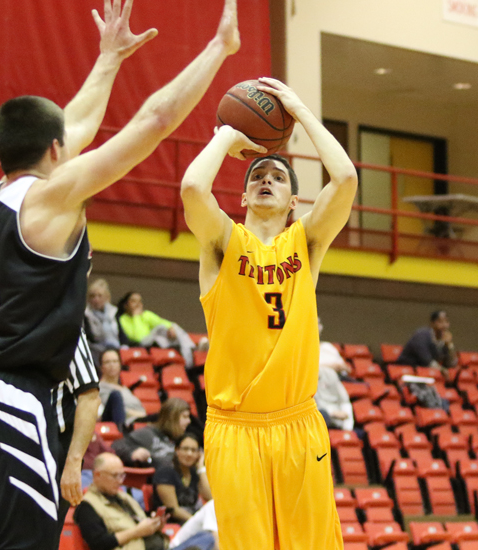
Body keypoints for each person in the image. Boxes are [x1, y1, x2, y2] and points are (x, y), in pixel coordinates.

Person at [0, 0, 242, 547]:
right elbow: (153, 121)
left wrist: (108, 59)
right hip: (12, 397)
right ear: (56, 150)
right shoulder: (50, 199)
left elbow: (72, 124)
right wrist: (218, 49)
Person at [180, 77, 358, 550]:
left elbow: (345, 180)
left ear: (293, 202)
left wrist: (299, 111)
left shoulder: (307, 242)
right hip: (234, 430)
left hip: (298, 424)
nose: (266, 179)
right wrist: (227, 135)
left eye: (278, 177)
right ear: (240, 198)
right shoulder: (222, 242)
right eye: (256, 175)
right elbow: (193, 187)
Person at [74, 453, 215, 550]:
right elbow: (99, 544)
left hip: (164, 545)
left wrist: (155, 525)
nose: (120, 481)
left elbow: (141, 523)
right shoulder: (87, 506)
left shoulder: (125, 497)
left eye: (122, 475)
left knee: (207, 536)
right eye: (115, 476)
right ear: (97, 475)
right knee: (208, 540)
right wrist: (137, 531)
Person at [116, 292, 196, 367]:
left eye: (139, 302)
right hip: (140, 344)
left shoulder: (146, 314)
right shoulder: (123, 319)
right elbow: (139, 338)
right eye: (133, 301)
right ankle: (192, 350)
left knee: (173, 327)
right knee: (161, 328)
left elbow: (161, 321)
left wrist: (170, 327)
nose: (138, 304)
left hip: (155, 341)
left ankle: (190, 354)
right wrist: (136, 317)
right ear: (126, 305)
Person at [152, 433, 211, 524]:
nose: (189, 454)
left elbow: (209, 497)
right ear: (177, 450)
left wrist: (201, 468)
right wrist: (198, 523)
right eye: (185, 449)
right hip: (171, 523)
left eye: (193, 450)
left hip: (192, 520)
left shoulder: (194, 471)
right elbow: (174, 510)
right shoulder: (165, 471)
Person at [112, 398, 191, 466]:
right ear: (171, 418)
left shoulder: (182, 439)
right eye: (184, 417)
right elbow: (116, 446)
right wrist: (132, 453)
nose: (189, 421)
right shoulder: (147, 434)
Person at [316, 319, 353, 431]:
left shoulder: (328, 348)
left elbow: (346, 369)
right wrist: (331, 366)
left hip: (334, 381)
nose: (318, 326)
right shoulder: (300, 349)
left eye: (319, 324)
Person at [98, 348, 148, 427]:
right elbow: (114, 409)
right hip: (124, 423)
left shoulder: (125, 389)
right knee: (116, 395)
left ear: (120, 365)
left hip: (140, 421)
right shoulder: (99, 388)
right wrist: (140, 415)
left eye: (115, 361)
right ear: (101, 367)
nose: (112, 365)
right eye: (107, 362)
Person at [85, 278, 121, 353]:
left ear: (106, 297)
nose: (96, 299)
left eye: (99, 296)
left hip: (116, 348)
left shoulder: (114, 312)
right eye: (92, 296)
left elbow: (122, 335)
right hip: (96, 350)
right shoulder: (85, 315)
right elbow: (90, 338)